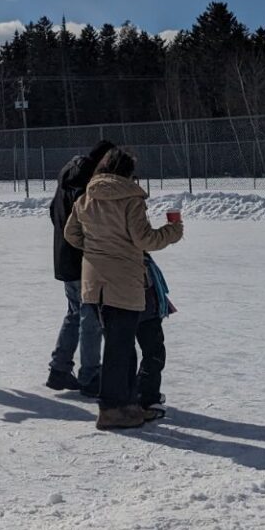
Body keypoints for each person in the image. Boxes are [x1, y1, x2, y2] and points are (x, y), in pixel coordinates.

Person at [63, 146, 183, 430]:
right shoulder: (130, 199)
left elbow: (71, 234)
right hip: (123, 283)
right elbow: (145, 240)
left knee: (121, 346)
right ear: (127, 172)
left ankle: (127, 405)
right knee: (120, 350)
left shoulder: (85, 198)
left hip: (95, 285)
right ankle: (111, 410)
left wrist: (96, 251)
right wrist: (173, 231)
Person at [47, 140, 115, 396]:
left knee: (75, 313)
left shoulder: (67, 178)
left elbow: (53, 212)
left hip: (65, 257)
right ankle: (90, 375)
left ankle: (59, 369)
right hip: (83, 260)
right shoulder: (87, 184)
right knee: (91, 318)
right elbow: (89, 224)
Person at [136, 255, 175, 418]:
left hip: (124, 296)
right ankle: (146, 397)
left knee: (125, 350)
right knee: (153, 351)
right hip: (140, 299)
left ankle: (139, 391)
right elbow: (147, 238)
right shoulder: (128, 236)